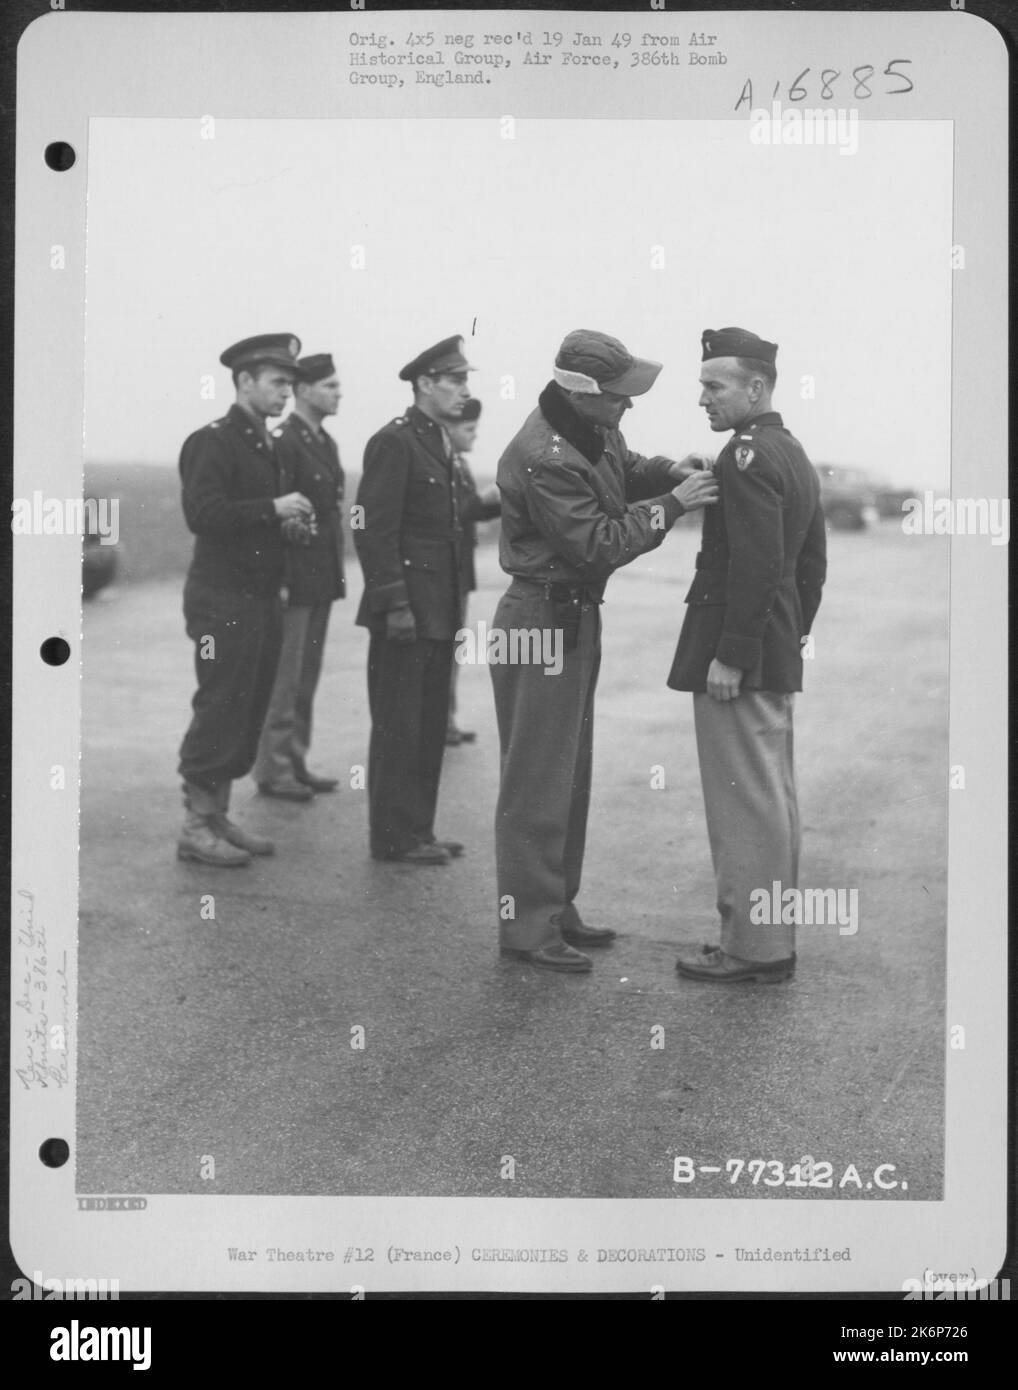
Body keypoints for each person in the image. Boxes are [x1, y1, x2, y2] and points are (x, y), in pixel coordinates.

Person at [491, 329, 719, 972]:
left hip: (570, 616)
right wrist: (672, 506)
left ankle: (556, 906)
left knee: (569, 772)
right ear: (582, 392)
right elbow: (597, 545)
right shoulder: (547, 455)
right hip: (539, 616)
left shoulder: (590, 428)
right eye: (620, 396)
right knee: (536, 778)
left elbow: (626, 464)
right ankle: (528, 928)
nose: (628, 406)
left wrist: (668, 472)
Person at [669, 327, 827, 983]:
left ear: (755, 387)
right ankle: (766, 943)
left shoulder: (744, 456)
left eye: (714, 385)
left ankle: (753, 950)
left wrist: (733, 654)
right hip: (774, 651)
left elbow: (759, 564)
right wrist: (788, 638)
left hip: (743, 658)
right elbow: (810, 566)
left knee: (745, 805)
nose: (702, 398)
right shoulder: (789, 452)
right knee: (770, 799)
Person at [177, 332, 311, 866]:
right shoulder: (212, 440)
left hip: (257, 599)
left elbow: (254, 516)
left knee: (248, 705)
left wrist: (289, 527)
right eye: (278, 382)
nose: (286, 393)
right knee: (219, 705)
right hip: (220, 601)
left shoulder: (267, 443)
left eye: (290, 384)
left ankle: (216, 816)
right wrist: (274, 508)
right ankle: (194, 826)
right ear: (245, 381)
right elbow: (203, 515)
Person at [353, 335, 474, 865]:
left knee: (426, 728)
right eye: (458, 380)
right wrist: (394, 603)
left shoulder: (439, 441)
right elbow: (372, 531)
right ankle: (391, 837)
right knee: (398, 724)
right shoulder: (395, 441)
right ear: (426, 383)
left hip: (438, 608)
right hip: (406, 612)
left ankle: (418, 831)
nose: (466, 391)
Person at [255, 353, 345, 800]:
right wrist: (283, 578)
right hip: (293, 574)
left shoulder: (324, 442)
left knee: (306, 674)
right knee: (285, 675)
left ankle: (296, 760)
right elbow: (278, 514)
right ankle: (273, 768)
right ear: (305, 390)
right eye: (329, 386)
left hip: (320, 574)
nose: (338, 393)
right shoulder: (284, 441)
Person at [445, 397, 501, 746]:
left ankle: (446, 719)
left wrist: (494, 503)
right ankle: (441, 721)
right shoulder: (444, 465)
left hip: (458, 573)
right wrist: (483, 500)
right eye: (468, 429)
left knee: (452, 650)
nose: (474, 436)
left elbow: (470, 514)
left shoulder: (459, 465)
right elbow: (453, 514)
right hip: (446, 571)